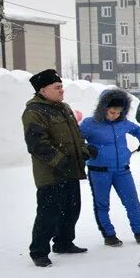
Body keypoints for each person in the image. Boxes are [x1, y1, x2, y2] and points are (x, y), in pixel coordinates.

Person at [22, 69, 92, 267]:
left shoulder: (64, 107)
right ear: (43, 90)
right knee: (48, 213)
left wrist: (85, 151)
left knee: (71, 209)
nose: (62, 90)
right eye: (57, 87)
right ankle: (39, 251)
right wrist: (61, 162)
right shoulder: (34, 112)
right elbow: (37, 145)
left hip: (71, 170)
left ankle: (63, 243)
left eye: (62, 86)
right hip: (51, 174)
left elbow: (76, 135)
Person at [79, 88, 140, 247]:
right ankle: (109, 234)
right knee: (102, 204)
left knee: (132, 202)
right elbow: (76, 140)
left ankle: (139, 231)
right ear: (103, 108)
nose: (115, 115)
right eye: (112, 112)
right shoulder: (90, 124)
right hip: (99, 172)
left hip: (122, 171)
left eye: (119, 112)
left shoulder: (123, 123)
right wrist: (86, 148)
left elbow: (138, 130)